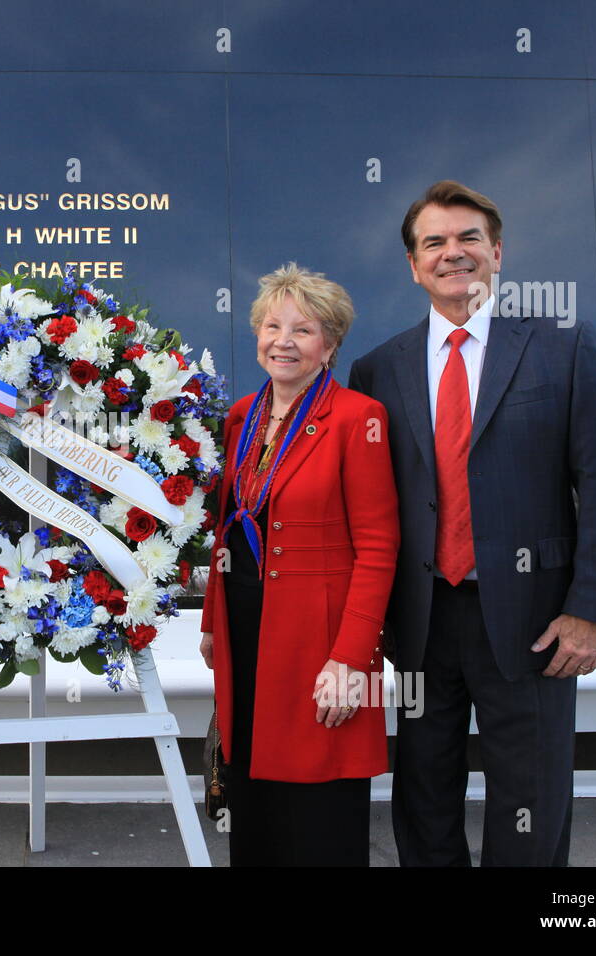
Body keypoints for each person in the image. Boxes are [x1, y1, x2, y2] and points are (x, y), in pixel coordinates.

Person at [348, 180, 596, 866]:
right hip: (418, 625)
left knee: (530, 798)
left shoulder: (564, 346)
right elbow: (367, 506)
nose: (454, 253)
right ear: (414, 266)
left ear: (497, 253)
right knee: (423, 796)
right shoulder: (376, 370)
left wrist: (590, 610)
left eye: (469, 238)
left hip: (536, 622)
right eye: (435, 243)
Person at [200, 262, 399, 866]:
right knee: (252, 791)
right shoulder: (239, 418)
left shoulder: (357, 417)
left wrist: (351, 659)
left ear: (330, 345)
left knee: (319, 803)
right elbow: (229, 527)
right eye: (271, 325)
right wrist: (211, 620)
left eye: (303, 330)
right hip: (245, 626)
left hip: (319, 638)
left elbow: (379, 546)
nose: (282, 341)